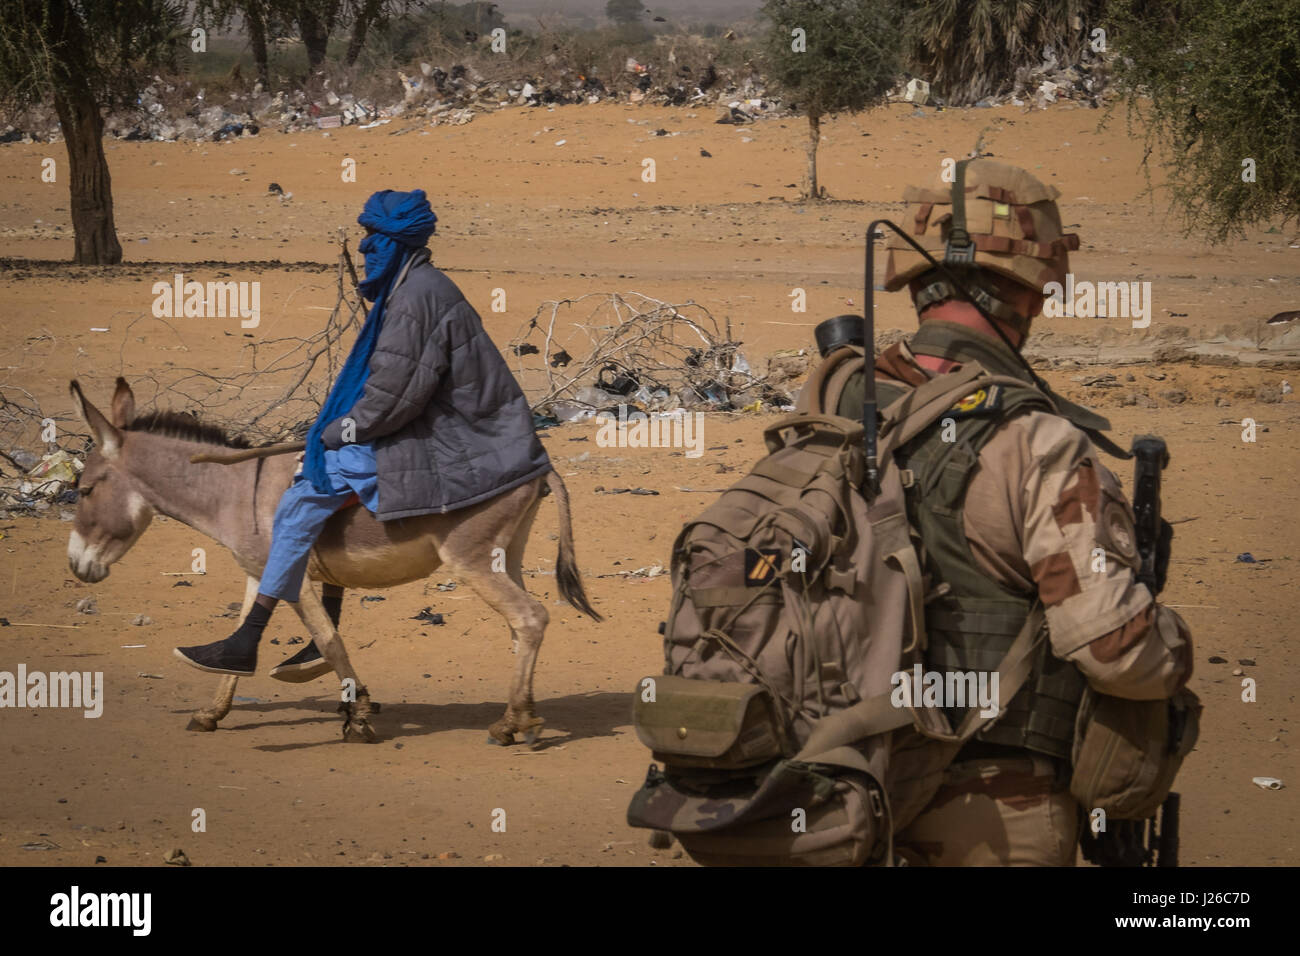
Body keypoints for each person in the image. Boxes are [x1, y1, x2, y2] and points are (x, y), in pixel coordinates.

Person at [837, 159, 1194, 865]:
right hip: (986, 812)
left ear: (910, 278)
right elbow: (1116, 654)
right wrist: (1172, 640)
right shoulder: (1035, 440)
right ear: (1031, 290)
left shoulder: (831, 398)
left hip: (832, 800)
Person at [174, 189, 551, 677]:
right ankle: (319, 631)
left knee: (307, 491)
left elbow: (397, 392)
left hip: (453, 437)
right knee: (326, 468)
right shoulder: (418, 287)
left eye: (373, 237)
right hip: (460, 425)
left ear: (395, 243)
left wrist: (341, 430)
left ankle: (249, 638)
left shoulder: (415, 299)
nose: (365, 248)